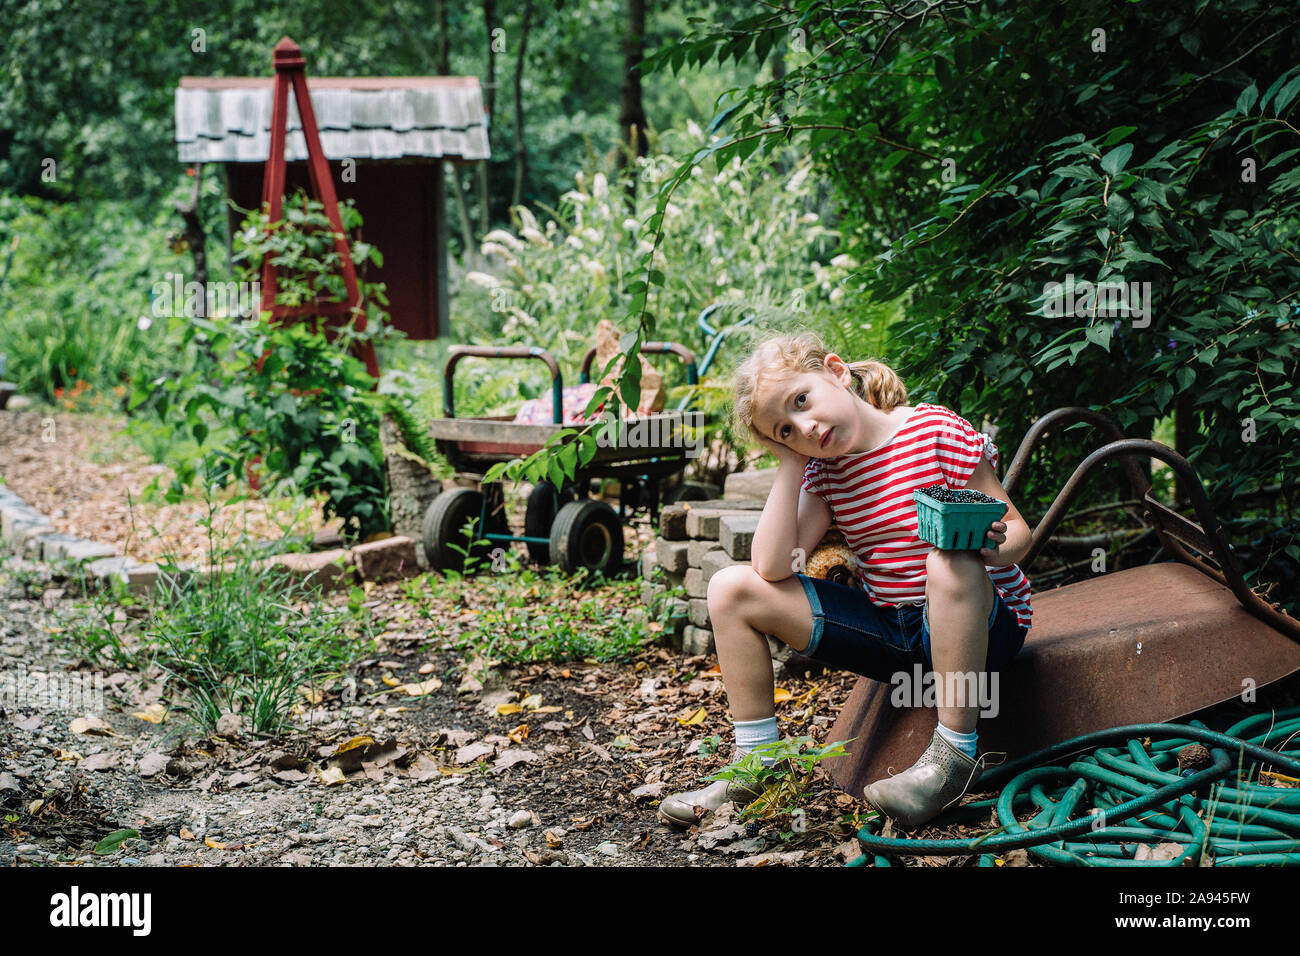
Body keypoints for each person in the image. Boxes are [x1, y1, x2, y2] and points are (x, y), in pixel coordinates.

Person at [658, 330, 1033, 829]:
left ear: (837, 372)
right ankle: (758, 764)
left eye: (800, 401)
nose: (805, 427)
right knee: (731, 588)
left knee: (946, 559)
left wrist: (983, 544)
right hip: (895, 633)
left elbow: (1018, 536)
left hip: (983, 628)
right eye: (785, 430)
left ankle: (953, 759)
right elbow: (772, 567)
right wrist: (791, 465)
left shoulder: (932, 431)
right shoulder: (827, 473)